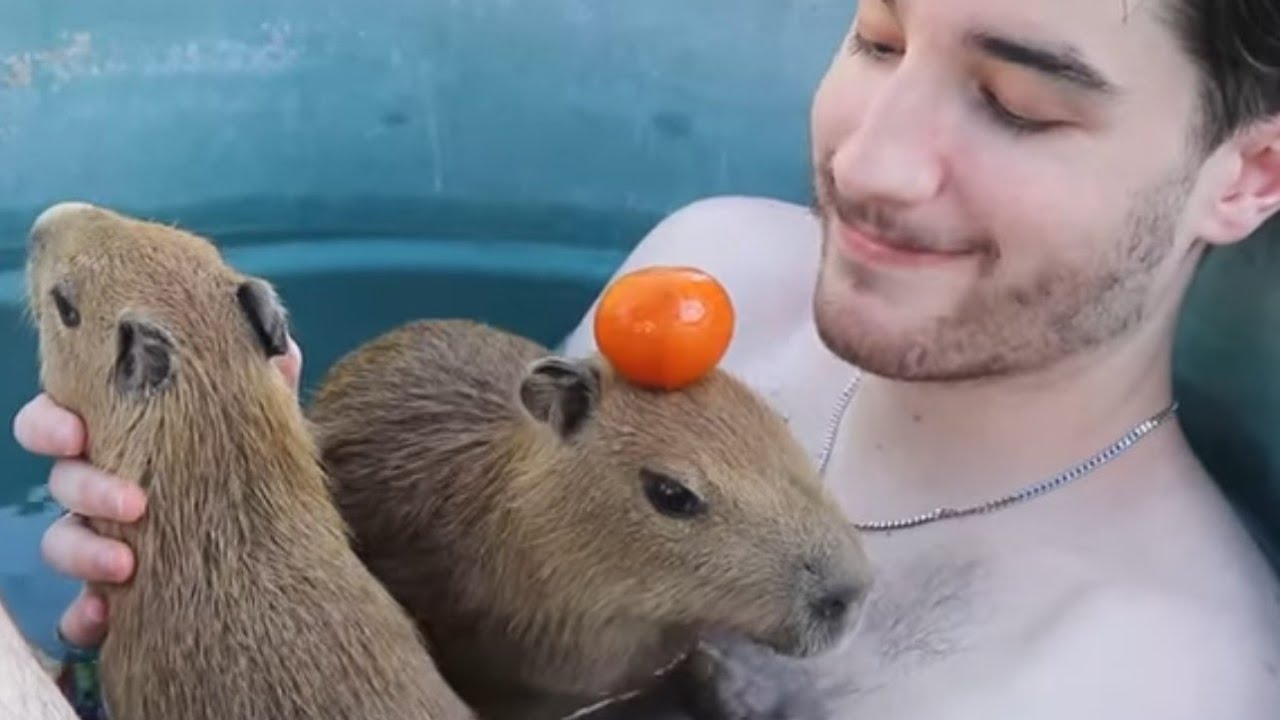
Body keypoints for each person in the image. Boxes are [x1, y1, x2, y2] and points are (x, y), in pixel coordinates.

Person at [11, 0, 1280, 716]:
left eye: (1016, 103)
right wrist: (222, 524)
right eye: (878, 38)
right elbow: (458, 581)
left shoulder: (1129, 678)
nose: (866, 162)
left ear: (1249, 172)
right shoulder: (722, 267)